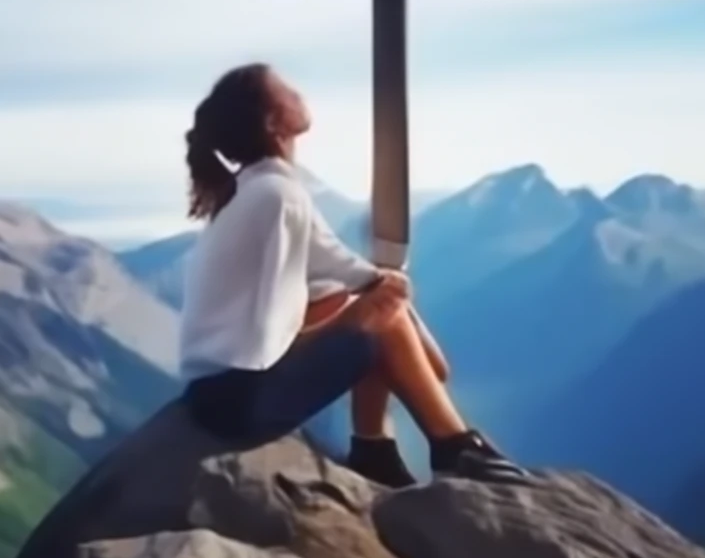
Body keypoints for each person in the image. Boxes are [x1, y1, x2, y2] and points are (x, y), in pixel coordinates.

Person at [178, 62, 528, 488]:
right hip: (241, 401)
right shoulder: (278, 196)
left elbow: (336, 265)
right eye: (287, 90)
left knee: (367, 305)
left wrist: (376, 290)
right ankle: (453, 446)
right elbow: (260, 336)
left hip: (215, 395)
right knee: (380, 316)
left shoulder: (258, 188)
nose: (300, 94)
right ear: (273, 122)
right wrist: (355, 321)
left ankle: (374, 449)